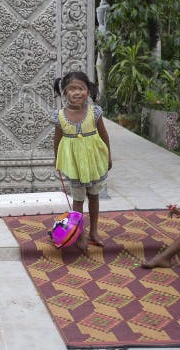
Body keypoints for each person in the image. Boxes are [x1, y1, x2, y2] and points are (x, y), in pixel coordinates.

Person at [52, 71, 112, 252]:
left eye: (81, 88)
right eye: (72, 89)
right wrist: (57, 160)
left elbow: (104, 135)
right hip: (75, 165)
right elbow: (57, 140)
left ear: (88, 91)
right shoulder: (60, 116)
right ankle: (79, 233)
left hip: (94, 163)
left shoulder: (94, 112)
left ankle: (94, 231)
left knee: (94, 195)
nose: (77, 92)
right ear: (64, 92)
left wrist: (108, 156)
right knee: (78, 199)